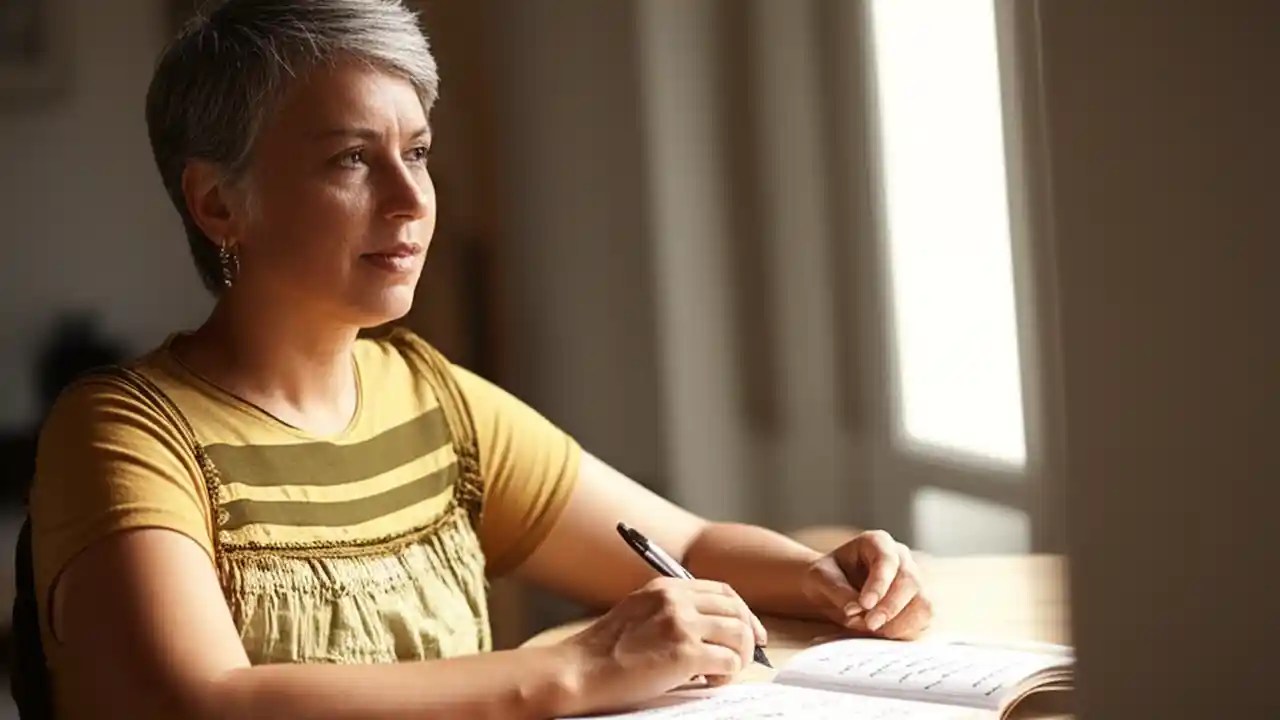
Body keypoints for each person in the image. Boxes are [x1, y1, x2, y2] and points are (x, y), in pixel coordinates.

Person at [24, 1, 933, 718]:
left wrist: (822, 576)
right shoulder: (123, 433)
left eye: (416, 151)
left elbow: (683, 545)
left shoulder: (428, 398)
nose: (412, 198)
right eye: (351, 159)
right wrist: (572, 668)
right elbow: (203, 702)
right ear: (219, 202)